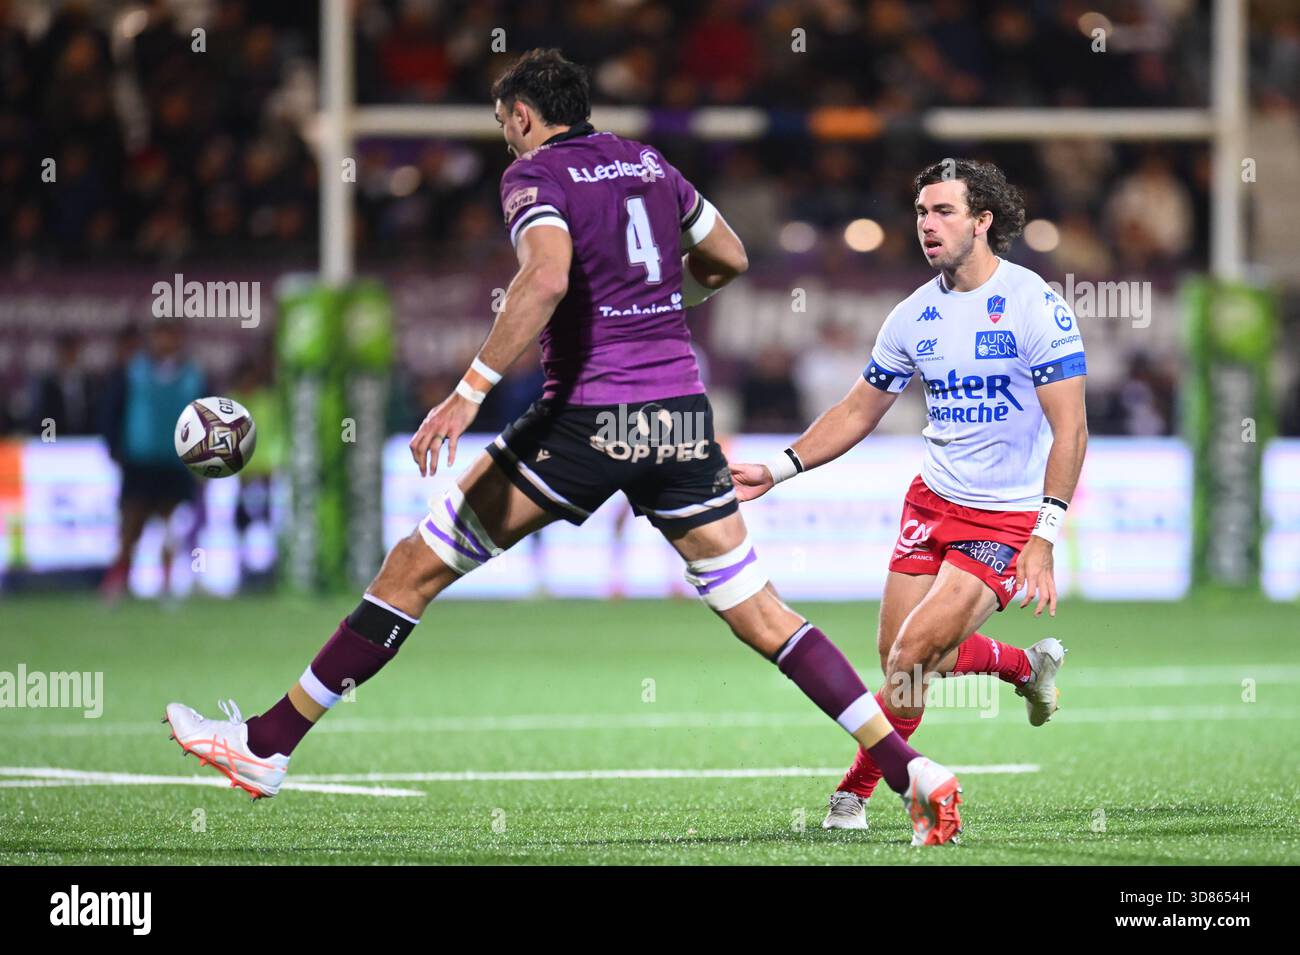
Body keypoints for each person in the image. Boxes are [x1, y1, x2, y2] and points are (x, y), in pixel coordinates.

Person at [165, 49, 963, 846]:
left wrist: (467, 391)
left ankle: (267, 745)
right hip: (679, 416)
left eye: (503, 123)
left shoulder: (534, 175)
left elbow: (543, 280)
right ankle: (909, 771)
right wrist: (652, 300)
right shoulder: (650, 163)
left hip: (588, 418)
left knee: (414, 566)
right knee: (760, 610)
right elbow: (729, 257)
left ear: (522, 116)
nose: (506, 138)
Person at [731, 159, 1088, 831]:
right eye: (922, 212)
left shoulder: (1035, 303)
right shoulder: (912, 314)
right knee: (902, 662)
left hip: (1005, 518)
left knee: (908, 660)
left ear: (983, 221)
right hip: (931, 502)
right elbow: (857, 410)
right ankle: (1024, 665)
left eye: (943, 211)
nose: (927, 224)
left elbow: (1072, 428)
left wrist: (1045, 531)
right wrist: (779, 468)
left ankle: (855, 794)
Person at [101, 319, 205, 601]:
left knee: (172, 528)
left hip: (176, 463)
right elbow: (113, 409)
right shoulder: (133, 371)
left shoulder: (193, 375)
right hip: (140, 462)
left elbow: (206, 419)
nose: (167, 341)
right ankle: (118, 584)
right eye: (162, 335)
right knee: (131, 526)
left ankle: (168, 585)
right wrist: (114, 450)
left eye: (173, 335)